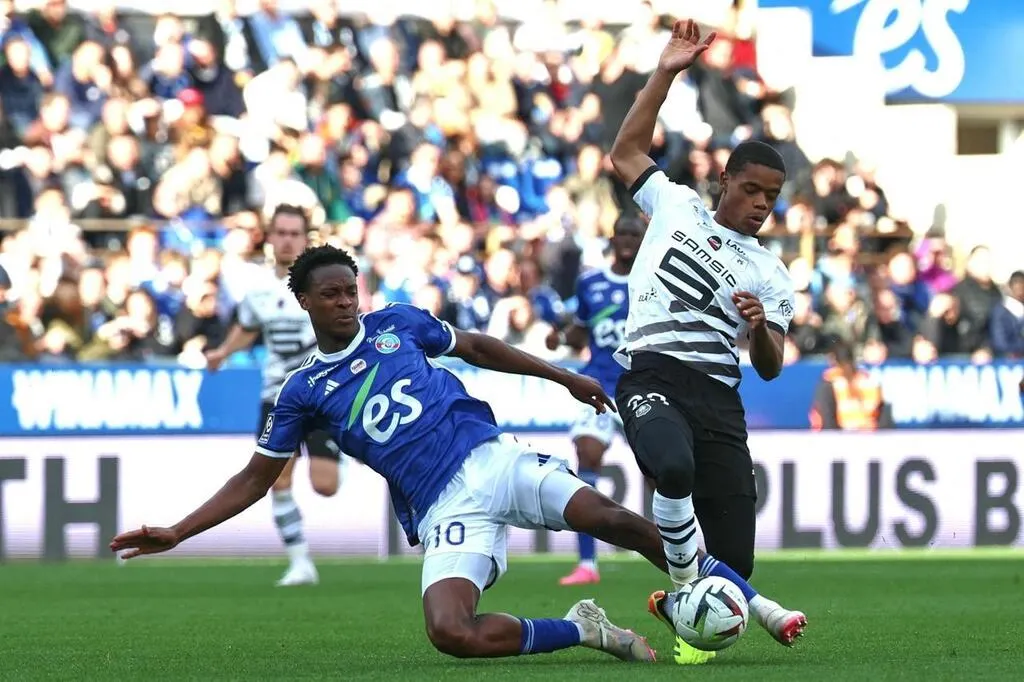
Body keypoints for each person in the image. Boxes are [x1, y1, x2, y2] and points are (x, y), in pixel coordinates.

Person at [111, 244, 807, 662]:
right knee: (451, 633)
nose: (347, 304)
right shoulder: (303, 391)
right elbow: (255, 479)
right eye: (331, 296)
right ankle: (583, 631)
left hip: (490, 460)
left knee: (621, 522)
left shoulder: (399, 325)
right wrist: (179, 529)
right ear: (304, 303)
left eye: (351, 291)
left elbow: (475, 346)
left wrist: (563, 376)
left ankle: (764, 607)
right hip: (443, 506)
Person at [608, 18, 805, 643]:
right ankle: (695, 589)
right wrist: (666, 70)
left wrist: (760, 332)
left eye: (770, 197)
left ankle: (679, 602)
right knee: (671, 468)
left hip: (719, 396)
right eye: (750, 189)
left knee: (736, 566)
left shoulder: (771, 272)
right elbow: (625, 151)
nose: (759, 204)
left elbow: (771, 365)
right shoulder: (675, 203)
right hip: (654, 373)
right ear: (723, 179)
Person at [204, 204, 343, 587]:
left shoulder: (324, 286)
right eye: (280, 232)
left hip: (322, 395)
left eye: (293, 233)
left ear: (305, 239)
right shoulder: (259, 290)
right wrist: (222, 352)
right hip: (277, 397)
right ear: (270, 238)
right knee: (276, 479)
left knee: (325, 485)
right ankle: (300, 562)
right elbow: (247, 329)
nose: (286, 240)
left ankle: (343, 446)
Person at [545, 213, 645, 586]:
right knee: (586, 455)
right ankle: (588, 562)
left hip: (641, 387)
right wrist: (562, 338)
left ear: (644, 237)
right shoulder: (591, 282)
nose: (627, 239)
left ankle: (669, 549)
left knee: (658, 471)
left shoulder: (653, 281)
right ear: (613, 237)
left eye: (634, 233)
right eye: (621, 232)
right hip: (599, 386)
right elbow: (583, 330)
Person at [809, 339, 893, 431]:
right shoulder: (870, 380)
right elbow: (883, 417)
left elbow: (827, 421)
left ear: (832, 359)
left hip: (843, 438)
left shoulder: (829, 382)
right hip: (870, 436)